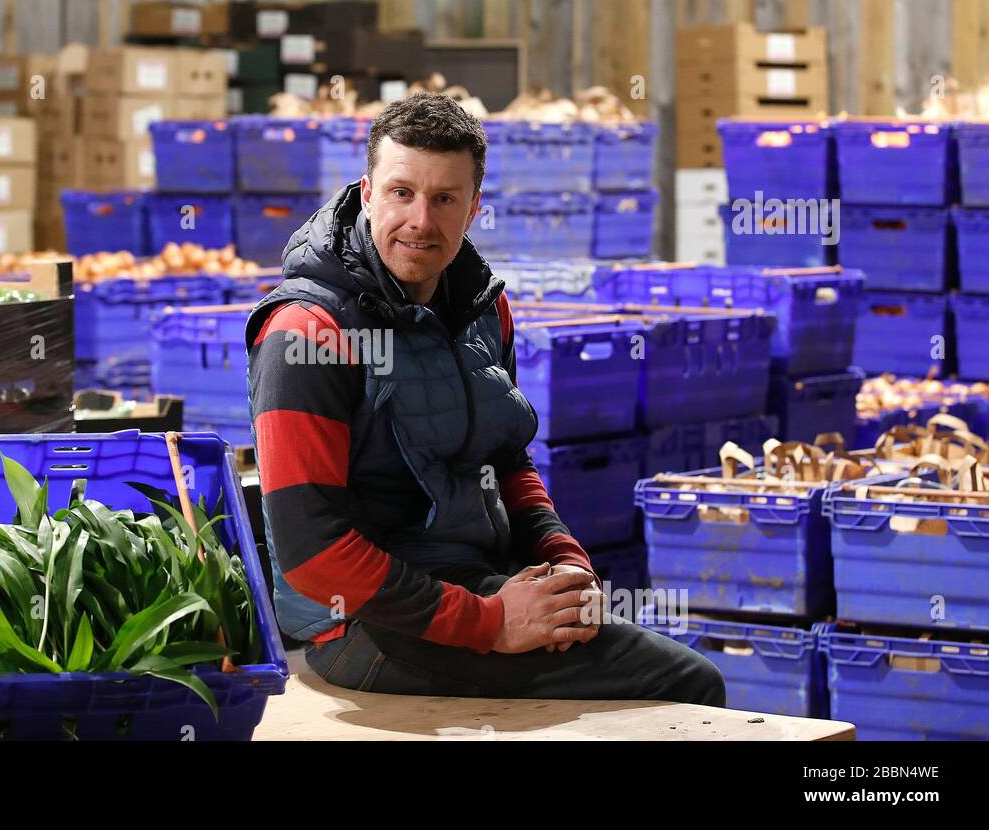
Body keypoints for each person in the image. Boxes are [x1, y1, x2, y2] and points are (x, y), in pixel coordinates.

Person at [244, 92, 724, 706]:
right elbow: (312, 552)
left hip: (477, 581)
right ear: (367, 195)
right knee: (686, 681)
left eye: (444, 199)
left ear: (474, 208)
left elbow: (506, 460)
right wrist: (490, 623)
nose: (421, 220)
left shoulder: (482, 308)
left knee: (649, 659)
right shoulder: (308, 333)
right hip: (364, 622)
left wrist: (562, 557)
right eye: (400, 193)